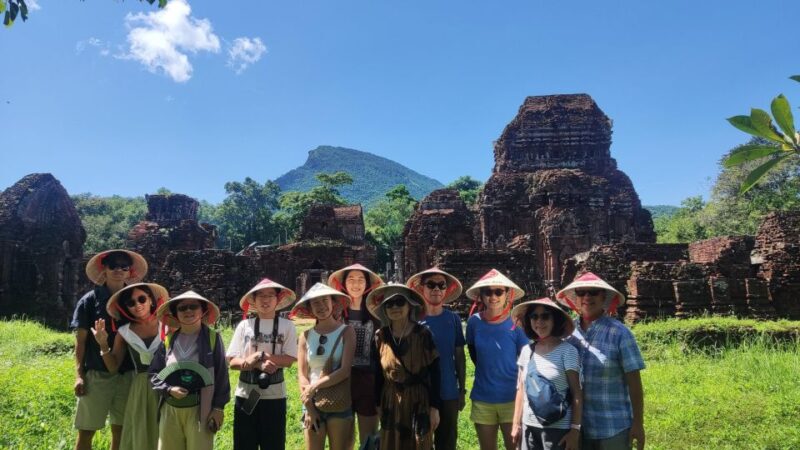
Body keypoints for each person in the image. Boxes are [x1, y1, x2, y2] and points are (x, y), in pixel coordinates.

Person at [556, 272, 646, 450]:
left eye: (593, 292)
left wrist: (638, 423)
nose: (587, 297)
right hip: (577, 428)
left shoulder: (620, 333)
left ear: (603, 297)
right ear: (576, 298)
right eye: (582, 293)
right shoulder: (568, 334)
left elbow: (635, 383)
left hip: (613, 425)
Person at [71, 249, 147, 450]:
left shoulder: (135, 300)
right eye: (113, 265)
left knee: (121, 430)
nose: (118, 270)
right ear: (104, 269)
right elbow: (81, 341)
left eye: (124, 266)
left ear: (129, 271)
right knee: (87, 430)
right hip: (97, 373)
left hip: (128, 373)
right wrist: (79, 375)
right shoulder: (89, 300)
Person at [149, 290, 231, 450]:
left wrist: (218, 408)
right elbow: (154, 373)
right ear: (175, 314)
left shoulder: (213, 338)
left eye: (193, 306)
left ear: (203, 311)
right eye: (182, 308)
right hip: (170, 410)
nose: (188, 311)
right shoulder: (168, 340)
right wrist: (169, 389)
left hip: (201, 410)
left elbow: (222, 375)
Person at [91, 282, 169, 450]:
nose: (138, 305)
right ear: (126, 308)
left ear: (151, 300)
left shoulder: (168, 326)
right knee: (142, 431)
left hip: (168, 385)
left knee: (167, 431)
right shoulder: (124, 332)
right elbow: (114, 367)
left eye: (141, 299)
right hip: (141, 388)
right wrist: (103, 344)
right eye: (131, 303)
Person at [366, 284, 441, 450]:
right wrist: (378, 403)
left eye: (399, 302)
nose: (394, 307)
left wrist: (435, 407)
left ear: (409, 305)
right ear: (384, 309)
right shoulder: (380, 336)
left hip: (418, 400)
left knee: (419, 444)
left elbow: (435, 372)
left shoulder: (423, 334)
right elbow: (378, 373)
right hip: (390, 401)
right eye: (389, 304)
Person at [227, 278, 298, 450]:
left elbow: (289, 359)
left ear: (278, 299)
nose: (265, 300)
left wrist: (263, 356)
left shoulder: (287, 326)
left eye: (270, 296)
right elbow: (231, 361)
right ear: (253, 300)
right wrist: (256, 363)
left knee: (273, 444)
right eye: (261, 296)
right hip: (246, 394)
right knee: (244, 443)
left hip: (275, 395)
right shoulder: (244, 326)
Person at [465, 269, 529, 450]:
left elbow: (526, 360)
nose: (493, 297)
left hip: (511, 397)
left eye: (499, 292)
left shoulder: (516, 324)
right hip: (483, 397)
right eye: (488, 292)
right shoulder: (474, 323)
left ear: (507, 294)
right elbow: (474, 354)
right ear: (481, 296)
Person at [291, 283, 356, 450]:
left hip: (339, 402)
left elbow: (344, 371)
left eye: (324, 300)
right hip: (312, 403)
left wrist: (315, 386)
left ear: (333, 302)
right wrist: (309, 408)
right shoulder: (305, 336)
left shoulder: (347, 332)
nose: (321, 306)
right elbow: (303, 375)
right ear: (310, 308)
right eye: (315, 303)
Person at [510, 298, 582, 450]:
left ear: (555, 319)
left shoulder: (567, 351)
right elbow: (521, 390)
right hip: (529, 426)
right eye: (534, 317)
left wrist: (575, 430)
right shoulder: (526, 351)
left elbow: (577, 393)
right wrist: (516, 424)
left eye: (545, 316)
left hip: (558, 429)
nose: (539, 321)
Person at [406, 267, 466, 450]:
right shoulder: (413, 320)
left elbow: (459, 357)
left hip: (448, 390)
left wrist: (461, 390)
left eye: (441, 285)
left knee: (447, 442)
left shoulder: (453, 319)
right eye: (431, 284)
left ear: (446, 290)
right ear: (421, 289)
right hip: (420, 391)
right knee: (420, 442)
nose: (436, 289)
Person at [328, 264, 385, 449]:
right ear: (343, 283)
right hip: (340, 381)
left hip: (369, 382)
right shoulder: (334, 313)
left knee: (368, 440)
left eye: (361, 279)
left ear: (367, 284)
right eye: (351, 279)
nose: (356, 284)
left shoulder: (377, 313)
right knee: (344, 441)